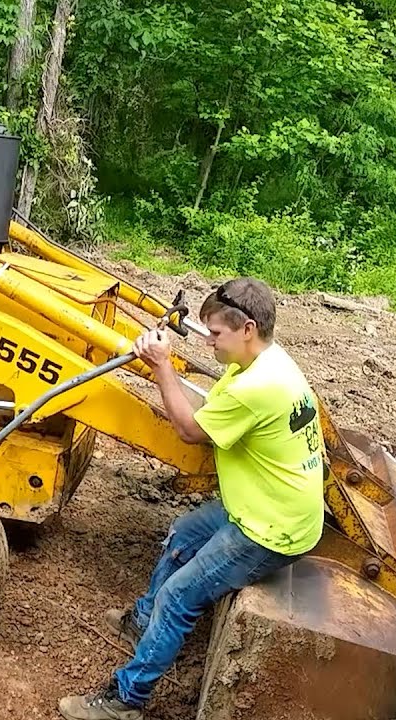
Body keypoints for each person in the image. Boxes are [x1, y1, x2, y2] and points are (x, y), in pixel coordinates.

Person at [58, 277, 327, 720]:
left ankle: (126, 700)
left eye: (216, 334)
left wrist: (162, 368)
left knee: (179, 598)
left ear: (248, 328)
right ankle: (142, 623)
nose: (211, 344)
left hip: (270, 530)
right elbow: (205, 411)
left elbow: (190, 430)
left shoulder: (256, 387)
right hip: (260, 503)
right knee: (183, 532)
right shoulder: (264, 363)